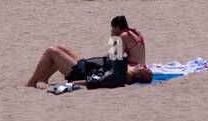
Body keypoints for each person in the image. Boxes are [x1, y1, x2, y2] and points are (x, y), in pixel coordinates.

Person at [23, 16, 152, 88]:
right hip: (87, 65)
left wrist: (75, 83)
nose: (145, 67)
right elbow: (113, 56)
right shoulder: (130, 65)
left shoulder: (125, 74)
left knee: (51, 51)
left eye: (145, 71)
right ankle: (44, 78)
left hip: (82, 72)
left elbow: (104, 76)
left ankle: (31, 83)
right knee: (61, 47)